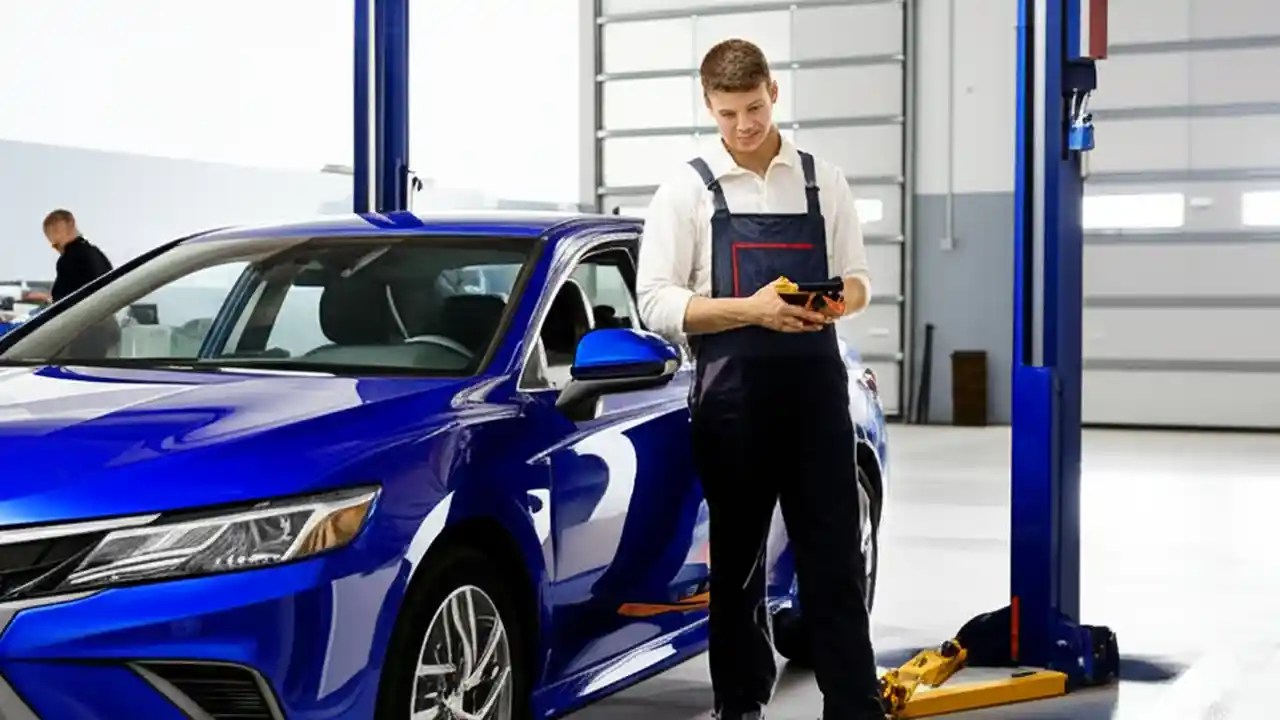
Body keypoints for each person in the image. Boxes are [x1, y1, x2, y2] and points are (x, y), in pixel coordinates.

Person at [635, 39, 885, 720]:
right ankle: (740, 705)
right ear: (708, 106)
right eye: (727, 112)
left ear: (773, 92)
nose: (743, 124)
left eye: (752, 107)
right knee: (737, 567)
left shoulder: (820, 180)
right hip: (732, 404)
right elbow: (654, 302)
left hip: (815, 400)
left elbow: (861, 277)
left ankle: (855, 703)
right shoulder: (687, 189)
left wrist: (841, 300)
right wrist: (752, 310)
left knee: (832, 560)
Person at [42, 209, 120, 357]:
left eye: (55, 235)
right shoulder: (96, 253)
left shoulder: (69, 259)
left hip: (86, 333)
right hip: (107, 329)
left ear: (71, 223)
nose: (56, 246)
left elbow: (62, 303)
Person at [44, 209, 114, 302]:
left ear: (70, 225)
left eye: (56, 244)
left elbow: (60, 303)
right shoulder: (96, 254)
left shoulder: (68, 260)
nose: (55, 248)